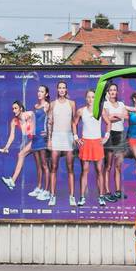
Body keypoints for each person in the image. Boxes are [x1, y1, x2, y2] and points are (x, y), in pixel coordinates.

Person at [47, 80, 77, 208]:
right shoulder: (52, 104)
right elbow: (49, 123)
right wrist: (49, 139)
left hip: (68, 137)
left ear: (66, 90)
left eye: (64, 88)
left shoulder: (72, 103)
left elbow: (74, 122)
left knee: (70, 168)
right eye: (60, 88)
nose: (62, 90)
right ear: (57, 90)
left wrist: (75, 137)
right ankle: (52, 196)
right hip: (56, 137)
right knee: (54, 167)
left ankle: (72, 197)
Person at [76, 88, 107, 206]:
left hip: (97, 143)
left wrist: (106, 137)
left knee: (99, 170)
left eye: (93, 97)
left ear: (96, 98)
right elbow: (74, 123)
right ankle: (82, 197)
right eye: (88, 97)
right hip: (86, 143)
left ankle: (101, 197)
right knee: (85, 170)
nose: (90, 99)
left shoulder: (100, 110)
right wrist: (75, 137)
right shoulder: (81, 111)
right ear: (85, 98)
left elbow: (108, 123)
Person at [101, 82, 130, 202]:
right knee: (108, 166)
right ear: (108, 92)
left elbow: (127, 116)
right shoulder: (105, 104)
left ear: (117, 92)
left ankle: (118, 191)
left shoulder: (122, 104)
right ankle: (107, 192)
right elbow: (108, 119)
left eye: (114, 90)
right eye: (111, 90)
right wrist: (119, 115)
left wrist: (115, 115)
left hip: (120, 135)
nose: (113, 92)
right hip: (110, 135)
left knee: (118, 165)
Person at [0, 100, 35, 190]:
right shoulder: (14, 121)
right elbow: (12, 136)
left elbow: (33, 127)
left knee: (21, 154)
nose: (14, 110)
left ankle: (12, 181)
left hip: (40, 139)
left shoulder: (29, 114)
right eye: (13, 109)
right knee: (21, 154)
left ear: (21, 109)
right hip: (34, 140)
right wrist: (6, 147)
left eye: (16, 108)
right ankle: (12, 181)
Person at [31, 85, 51, 201]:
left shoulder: (47, 105)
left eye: (42, 91)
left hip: (42, 139)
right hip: (34, 137)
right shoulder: (35, 106)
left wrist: (48, 133)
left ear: (46, 94)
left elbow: (50, 120)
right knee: (38, 165)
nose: (39, 93)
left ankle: (47, 191)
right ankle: (39, 187)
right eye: (38, 91)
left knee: (44, 165)